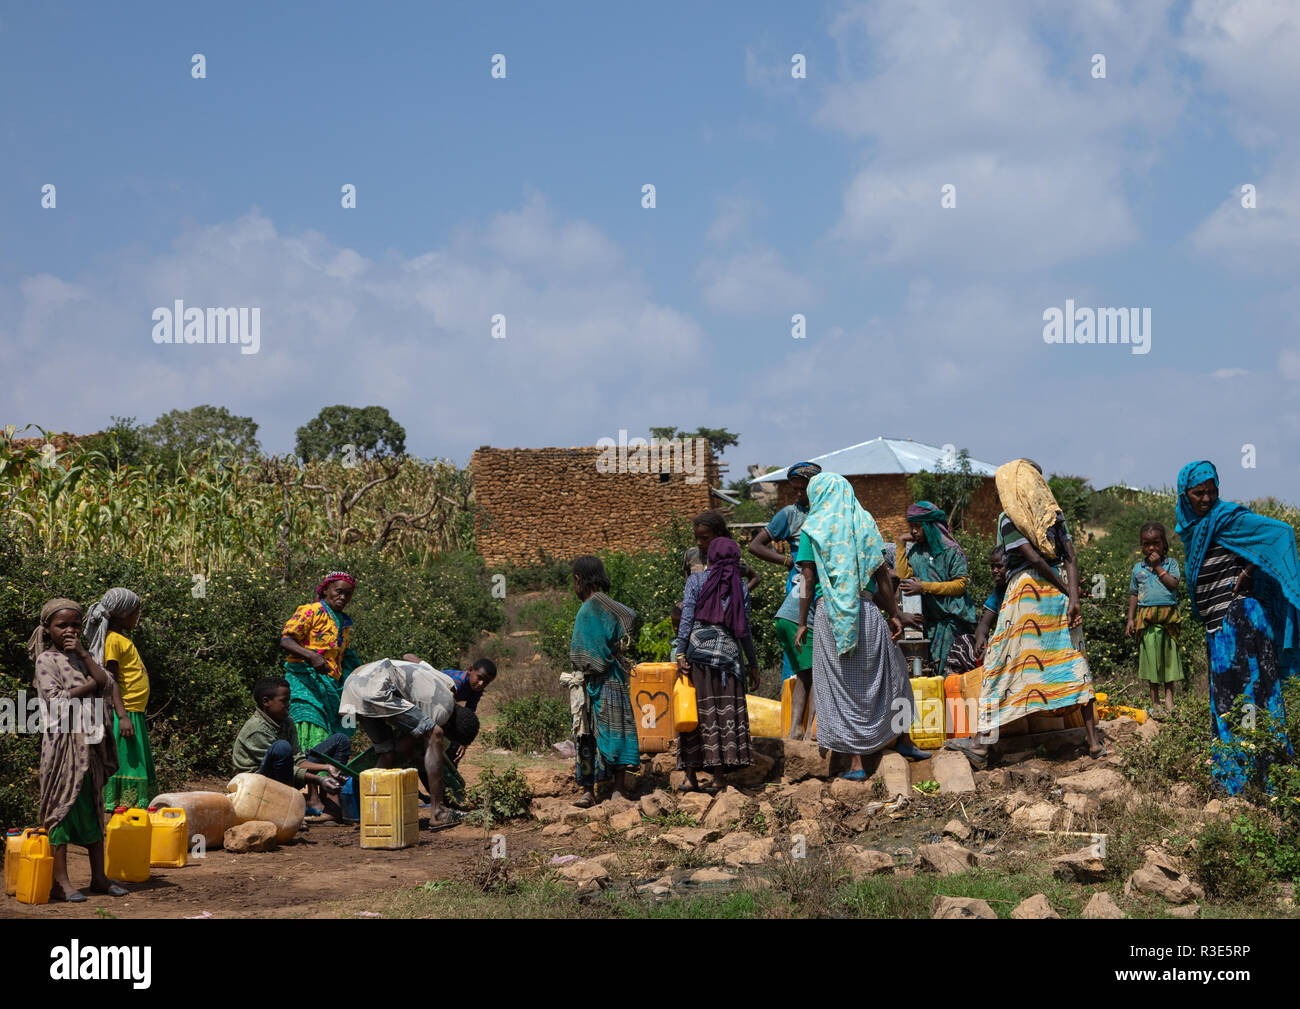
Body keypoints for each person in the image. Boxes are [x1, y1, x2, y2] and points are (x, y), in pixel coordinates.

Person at [946, 460, 1101, 768]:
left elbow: (1033, 561)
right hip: (1058, 598)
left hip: (1027, 596)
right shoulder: (1053, 516)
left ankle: (980, 744)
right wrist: (1072, 596)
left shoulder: (1009, 518)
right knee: (1073, 660)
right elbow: (1069, 557)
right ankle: (1094, 742)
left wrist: (1064, 591)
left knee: (999, 664)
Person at [1175, 460, 1300, 794]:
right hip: (1218, 628)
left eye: (1211, 491)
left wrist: (1247, 571)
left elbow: (1280, 534)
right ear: (1184, 494)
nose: (1205, 498)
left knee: (1248, 697)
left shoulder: (1228, 517)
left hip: (1241, 619)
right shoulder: (1191, 527)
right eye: (1198, 493)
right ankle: (1238, 779)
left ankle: (1259, 782)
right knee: (1227, 701)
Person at [793, 473, 928, 777]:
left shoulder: (812, 528)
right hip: (866, 610)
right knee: (894, 675)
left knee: (844, 686)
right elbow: (882, 572)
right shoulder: (863, 521)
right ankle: (904, 739)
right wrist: (894, 614)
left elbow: (807, 580)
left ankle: (856, 765)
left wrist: (802, 622)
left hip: (831, 615)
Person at [29, 598, 127, 902]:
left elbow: (107, 683)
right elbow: (57, 701)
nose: (69, 630)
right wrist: (88, 687)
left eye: (75, 624)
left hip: (90, 745)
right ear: (48, 629)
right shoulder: (47, 660)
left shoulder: (84, 657)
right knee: (62, 810)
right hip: (63, 747)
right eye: (62, 625)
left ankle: (99, 877)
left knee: (94, 808)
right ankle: (61, 882)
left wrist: (84, 657)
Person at [339, 658, 480, 827]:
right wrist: (421, 758)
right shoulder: (443, 712)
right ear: (452, 729)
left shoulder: (446, 685)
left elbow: (399, 747)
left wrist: (414, 754)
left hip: (355, 684)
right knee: (435, 733)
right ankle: (437, 812)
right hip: (377, 686)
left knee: (387, 753)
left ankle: (371, 814)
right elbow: (405, 746)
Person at [675, 515, 759, 791]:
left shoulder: (696, 582)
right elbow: (743, 629)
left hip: (698, 657)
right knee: (723, 715)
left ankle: (689, 777)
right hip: (729, 661)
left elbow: (686, 619)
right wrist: (753, 664)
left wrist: (680, 654)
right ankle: (719, 777)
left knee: (695, 714)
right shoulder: (739, 587)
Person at [748, 462, 822, 735]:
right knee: (799, 665)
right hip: (800, 591)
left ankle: (810, 729)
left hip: (821, 594)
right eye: (796, 490)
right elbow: (755, 545)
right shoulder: (789, 515)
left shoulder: (827, 513)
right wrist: (786, 559)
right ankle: (793, 728)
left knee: (816, 666)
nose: (800, 495)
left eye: (804, 490)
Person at [562, 556, 640, 807]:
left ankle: (597, 791)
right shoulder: (602, 605)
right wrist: (618, 646)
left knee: (600, 734)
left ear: (578, 580)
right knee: (598, 733)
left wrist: (611, 651)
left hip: (602, 679)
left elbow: (629, 618)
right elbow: (630, 617)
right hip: (597, 681)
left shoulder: (593, 605)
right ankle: (604, 790)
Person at [279, 571, 360, 813]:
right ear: (325, 590)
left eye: (348, 594)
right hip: (305, 681)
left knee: (332, 736)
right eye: (339, 591)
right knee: (314, 733)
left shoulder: (343, 622)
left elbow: (343, 656)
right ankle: (314, 797)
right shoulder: (310, 611)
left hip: (329, 687)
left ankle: (327, 794)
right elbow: (286, 640)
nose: (343, 597)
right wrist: (312, 655)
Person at [233, 677, 348, 819]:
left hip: (286, 773)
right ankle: (288, 810)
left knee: (340, 740)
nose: (289, 705)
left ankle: (331, 807)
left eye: (289, 700)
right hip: (258, 784)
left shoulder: (286, 721)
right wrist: (319, 780)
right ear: (266, 702)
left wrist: (327, 768)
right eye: (284, 701)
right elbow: (286, 766)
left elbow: (298, 759)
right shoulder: (256, 730)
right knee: (282, 747)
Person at [85, 588, 156, 812]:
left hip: (133, 710)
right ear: (122, 614)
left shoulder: (120, 639)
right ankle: (120, 803)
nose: (138, 616)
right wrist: (123, 716)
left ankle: (125, 803)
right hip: (124, 712)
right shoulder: (113, 640)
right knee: (128, 760)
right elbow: (110, 679)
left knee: (132, 757)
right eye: (136, 611)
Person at [896, 501, 979, 674]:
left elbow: (959, 585)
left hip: (953, 624)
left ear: (930, 525)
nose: (913, 531)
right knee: (932, 671)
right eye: (911, 526)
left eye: (918, 526)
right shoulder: (916, 552)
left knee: (952, 672)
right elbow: (904, 577)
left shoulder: (951, 551)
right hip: (930, 625)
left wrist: (924, 587)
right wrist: (900, 542)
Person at [1124, 522, 1184, 712]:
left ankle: (1169, 701)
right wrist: (1130, 619)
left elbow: (1173, 584)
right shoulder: (1137, 569)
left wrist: (1158, 566)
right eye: (1146, 544)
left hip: (1168, 622)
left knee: (1168, 661)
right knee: (1151, 663)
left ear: (1164, 544)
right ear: (1141, 546)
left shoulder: (1171, 564)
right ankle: (1155, 703)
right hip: (1147, 622)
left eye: (1156, 543)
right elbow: (1134, 594)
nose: (1151, 548)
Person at [440, 658, 496, 762]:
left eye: (486, 682)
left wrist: (464, 741)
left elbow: (470, 712)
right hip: (434, 701)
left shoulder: (477, 689)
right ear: (470, 670)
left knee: (455, 745)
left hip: (446, 706)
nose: (481, 683)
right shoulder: (456, 682)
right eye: (479, 678)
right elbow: (444, 707)